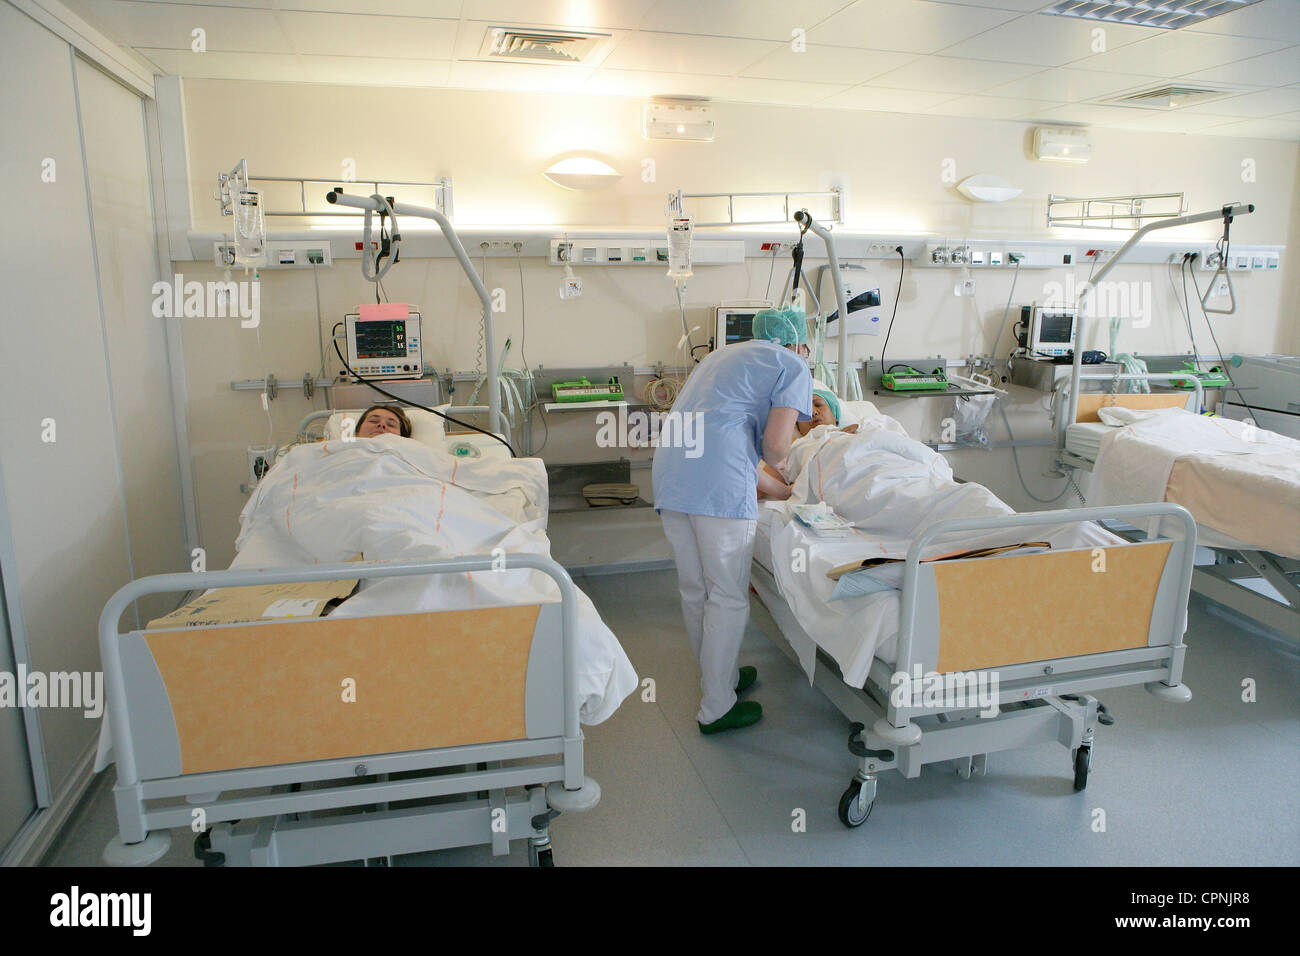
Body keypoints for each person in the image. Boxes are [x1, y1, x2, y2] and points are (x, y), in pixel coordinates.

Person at [652, 307, 813, 735]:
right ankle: (717, 707)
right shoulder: (792, 364)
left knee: (694, 589)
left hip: (672, 475)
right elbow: (775, 448)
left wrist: (781, 492)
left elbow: (723, 438)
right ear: (797, 341)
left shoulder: (719, 358)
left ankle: (717, 679)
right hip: (718, 489)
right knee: (726, 594)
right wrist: (791, 467)